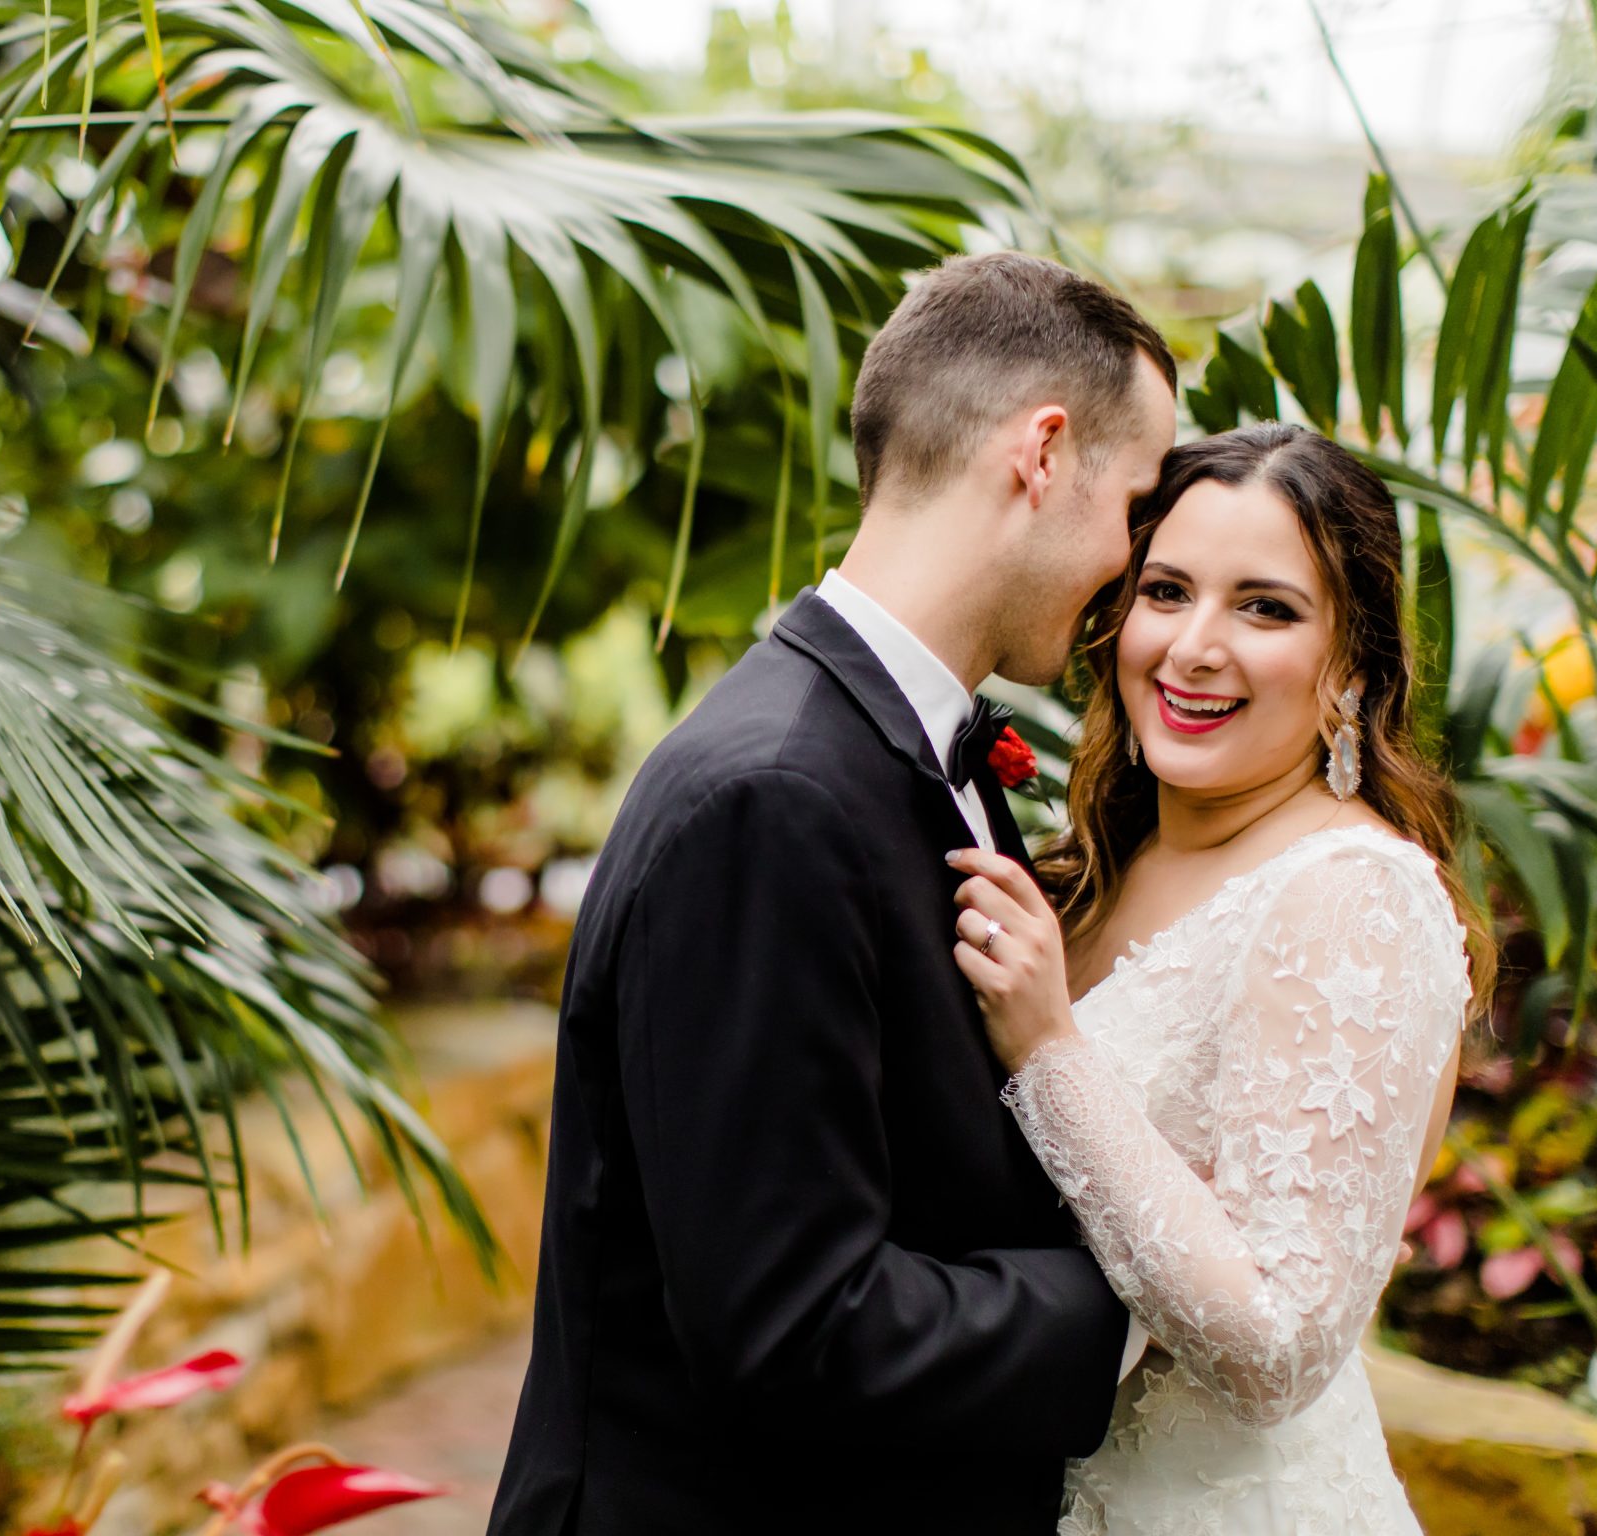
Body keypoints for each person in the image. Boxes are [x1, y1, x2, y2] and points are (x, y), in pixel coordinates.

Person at [487, 251, 1179, 1534]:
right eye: (1135, 504)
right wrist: (1137, 1297)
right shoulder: (771, 797)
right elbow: (794, 1323)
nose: (1133, 566)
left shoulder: (902, 750)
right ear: (1041, 452)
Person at [947, 422, 1490, 1534]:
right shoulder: (1100, 863)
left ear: (1353, 662)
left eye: (1265, 608)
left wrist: (1050, 1056)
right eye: (1165, 591)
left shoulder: (1354, 899)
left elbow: (1278, 1351)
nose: (1194, 646)